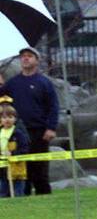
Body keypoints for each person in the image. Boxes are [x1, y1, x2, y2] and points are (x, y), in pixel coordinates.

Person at [0, 48, 59, 197]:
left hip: (39, 132)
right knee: (21, 168)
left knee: (40, 169)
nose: (25, 59)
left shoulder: (44, 82)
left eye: (29, 56)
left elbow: (53, 106)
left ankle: (44, 197)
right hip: (18, 133)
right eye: (23, 56)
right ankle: (23, 198)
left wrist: (51, 128)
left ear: (36, 60)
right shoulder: (13, 83)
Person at [0, 99, 29, 198]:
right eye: (4, 117)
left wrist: (13, 153)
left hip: (17, 168)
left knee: (17, 192)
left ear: (15, 119)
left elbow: (24, 148)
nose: (7, 120)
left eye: (10, 117)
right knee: (3, 191)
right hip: (3, 168)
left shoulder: (18, 133)